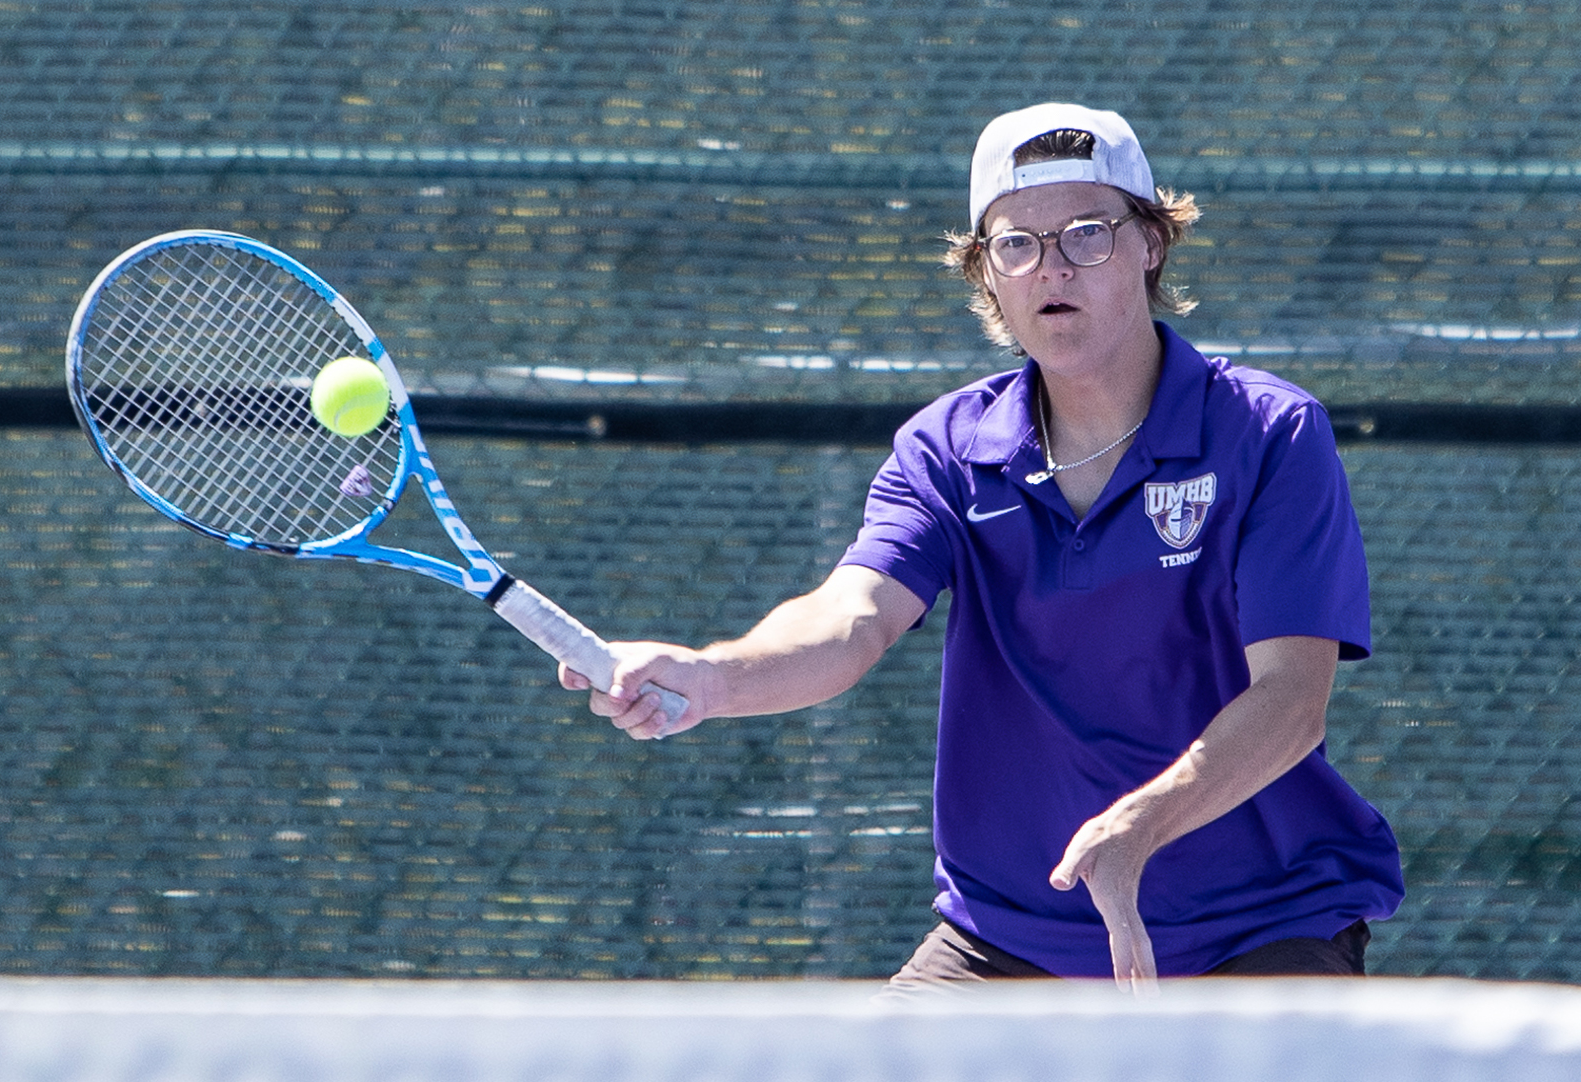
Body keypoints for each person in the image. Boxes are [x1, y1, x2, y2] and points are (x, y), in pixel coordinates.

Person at [560, 102, 1404, 994]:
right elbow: (853, 617)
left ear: (1151, 244)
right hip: (1006, 939)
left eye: (1087, 234)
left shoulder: (1270, 431)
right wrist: (712, 676)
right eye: (1016, 244)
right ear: (985, 275)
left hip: (1261, 929)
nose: (1052, 267)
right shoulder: (947, 448)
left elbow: (1292, 701)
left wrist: (1142, 826)